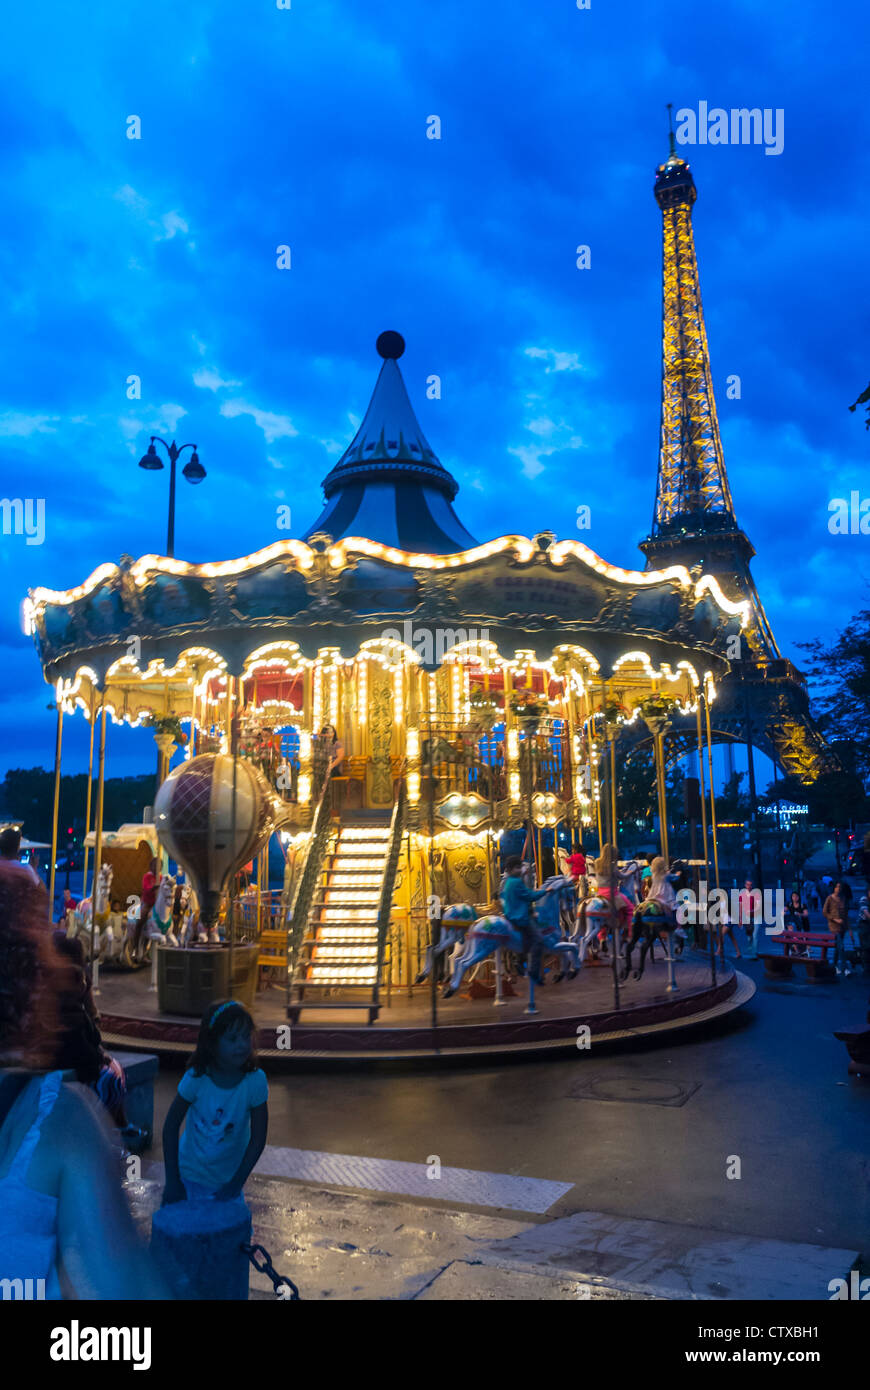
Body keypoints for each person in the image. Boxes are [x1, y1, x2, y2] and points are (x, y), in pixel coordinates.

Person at [0, 863, 165, 1297]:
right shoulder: (61, 1119)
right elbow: (128, 1289)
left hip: (74, 1065)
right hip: (75, 1076)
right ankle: (120, 1127)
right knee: (104, 1091)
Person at [162, 1000, 268, 1206]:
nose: (242, 1045)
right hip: (189, 1175)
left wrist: (236, 1184)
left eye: (246, 1036)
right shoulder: (196, 1078)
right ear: (213, 1043)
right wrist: (173, 1181)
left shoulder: (255, 1082)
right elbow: (170, 1126)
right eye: (232, 1039)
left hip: (228, 1180)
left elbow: (258, 1139)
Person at [500, 856, 557, 986]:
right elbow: (530, 896)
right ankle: (532, 970)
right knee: (539, 941)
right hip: (519, 917)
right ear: (510, 869)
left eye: (520, 867)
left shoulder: (509, 881)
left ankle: (521, 959)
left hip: (512, 914)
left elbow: (525, 893)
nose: (520, 870)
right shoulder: (516, 882)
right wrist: (545, 891)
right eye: (517, 867)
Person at [823, 881, 851, 977]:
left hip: (843, 926)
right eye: (837, 887)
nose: (838, 889)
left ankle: (834, 966)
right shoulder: (829, 898)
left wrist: (849, 929)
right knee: (841, 947)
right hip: (834, 926)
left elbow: (846, 915)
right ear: (834, 888)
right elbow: (825, 912)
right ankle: (845, 968)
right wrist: (834, 919)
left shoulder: (843, 899)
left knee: (837, 947)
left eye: (840, 887)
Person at [736, 879, 761, 959]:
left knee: (755, 935)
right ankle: (750, 945)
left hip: (756, 916)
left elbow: (758, 906)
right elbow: (740, 906)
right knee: (749, 935)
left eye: (750, 885)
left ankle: (754, 953)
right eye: (747, 884)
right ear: (745, 885)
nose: (749, 886)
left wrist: (753, 910)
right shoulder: (742, 894)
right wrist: (740, 919)